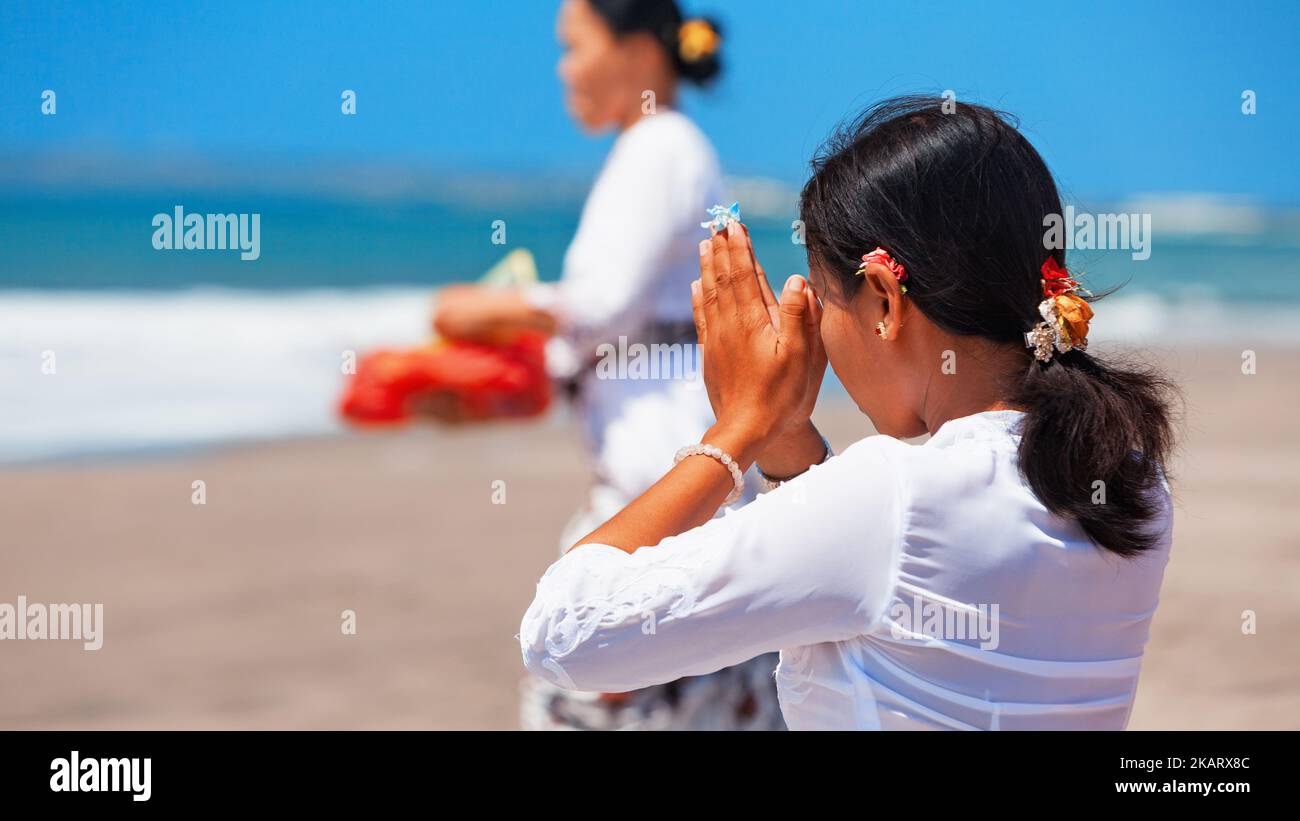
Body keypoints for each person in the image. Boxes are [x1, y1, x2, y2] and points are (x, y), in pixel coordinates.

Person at [519, 96, 1180, 730]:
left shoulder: (892, 496)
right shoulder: (1128, 477)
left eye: (831, 302)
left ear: (886, 302)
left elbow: (565, 632)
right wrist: (786, 443)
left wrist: (736, 431)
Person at [435, 0, 784, 730]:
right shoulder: (666, 145)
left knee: (570, 686)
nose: (563, 69)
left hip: (661, 490)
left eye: (573, 45)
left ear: (635, 50)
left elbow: (598, 304)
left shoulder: (659, 145)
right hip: (688, 493)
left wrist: (480, 309)